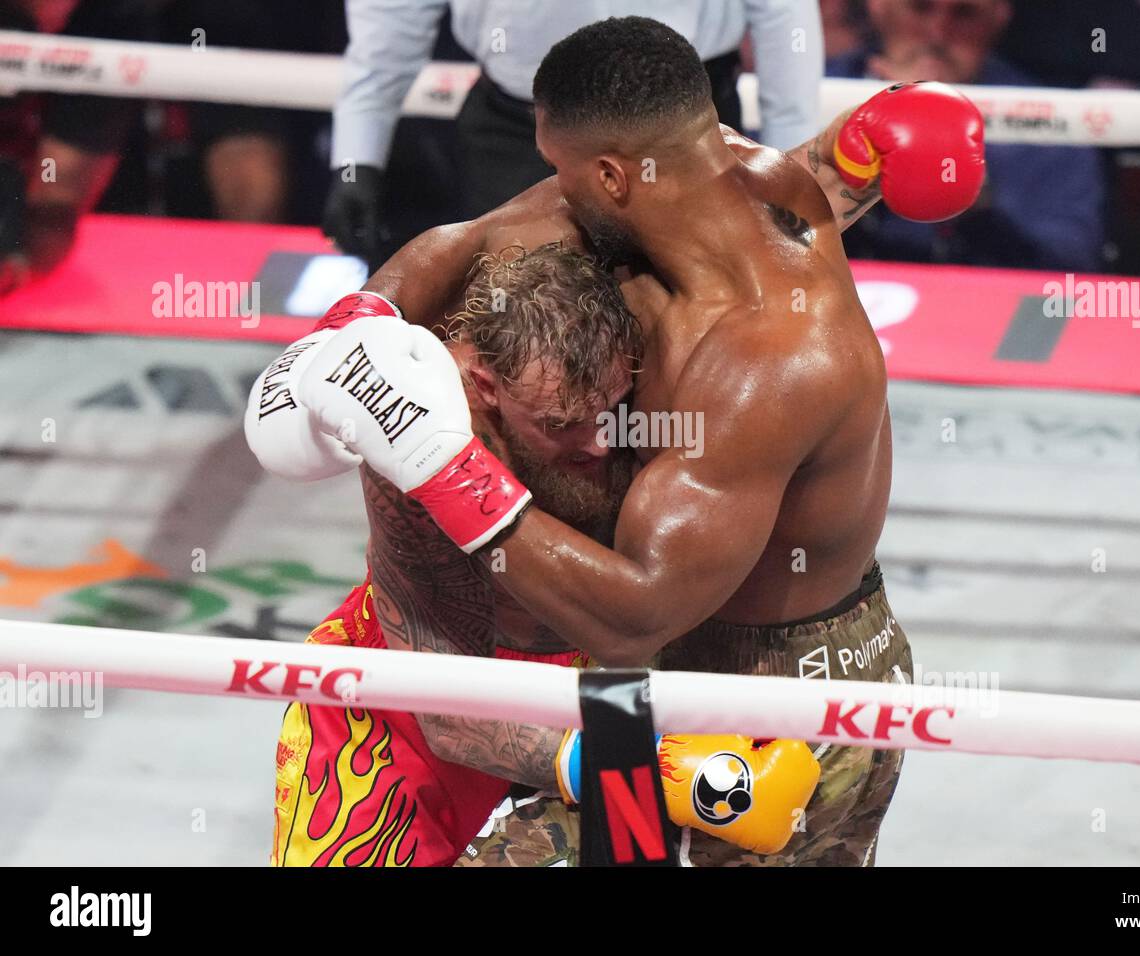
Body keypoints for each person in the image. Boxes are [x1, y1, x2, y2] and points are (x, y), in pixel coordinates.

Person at [253, 17, 985, 865]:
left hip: (778, 688)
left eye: (563, 172)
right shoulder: (698, 182)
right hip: (640, 674)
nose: (550, 192)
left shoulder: (774, 362)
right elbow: (471, 242)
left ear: (611, 173)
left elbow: (638, 610)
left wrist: (441, 465)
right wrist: (359, 322)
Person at [260, 245, 821, 866]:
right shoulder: (417, 432)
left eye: (612, 408)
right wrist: (649, 769)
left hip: (604, 681)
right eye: (560, 425)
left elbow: (706, 179)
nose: (600, 444)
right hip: (411, 713)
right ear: (485, 386)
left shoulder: (647, 391)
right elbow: (449, 716)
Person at [324, 0, 825, 265]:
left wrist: (791, 173)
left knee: (695, 333)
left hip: (682, 123)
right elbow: (393, 16)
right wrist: (357, 159)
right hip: (517, 132)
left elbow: (784, 12)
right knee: (516, 339)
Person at [828, 0, 1106, 271]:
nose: (937, 32)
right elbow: (788, 244)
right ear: (878, 6)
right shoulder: (815, 98)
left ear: (999, 16)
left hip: (984, 311)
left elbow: (1070, 273)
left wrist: (977, 209)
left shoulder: (1050, 123)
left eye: (965, 13)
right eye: (920, 7)